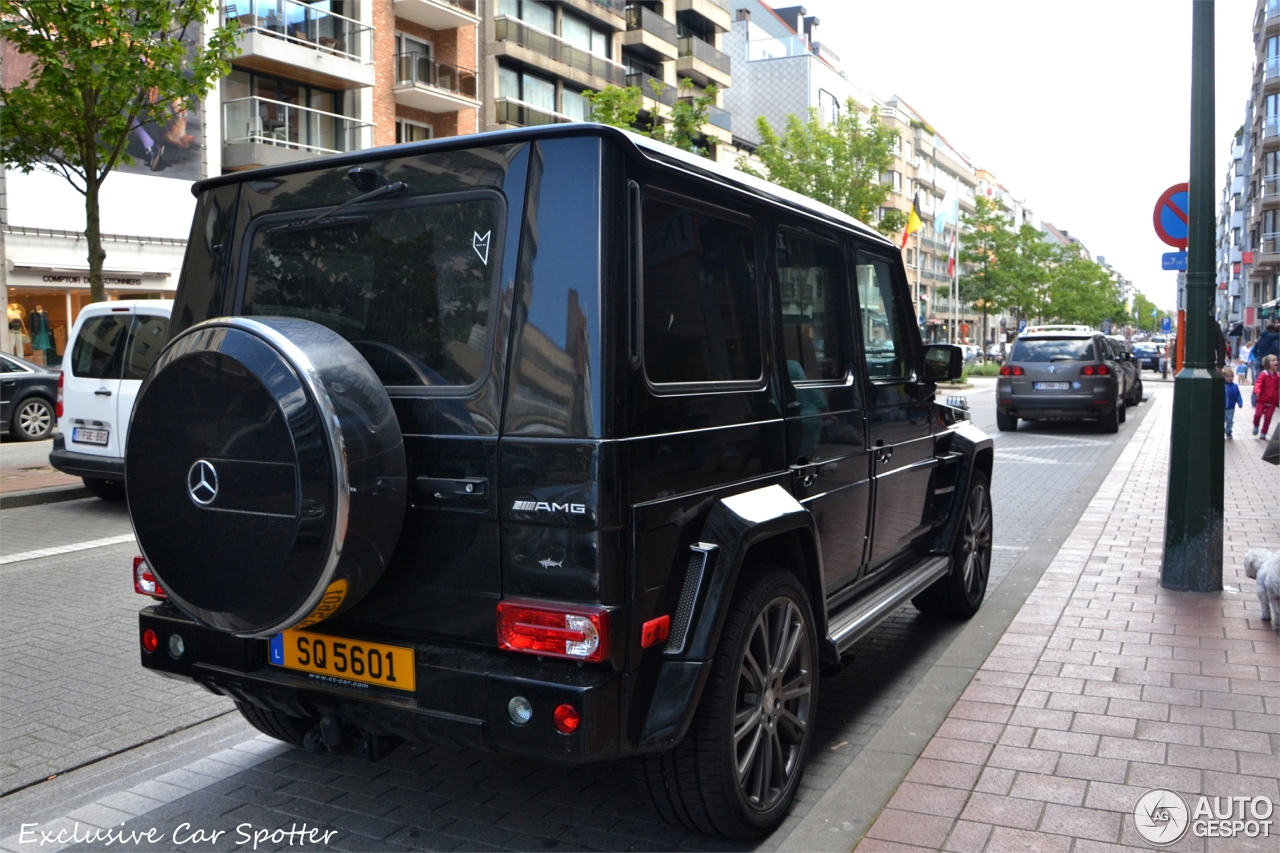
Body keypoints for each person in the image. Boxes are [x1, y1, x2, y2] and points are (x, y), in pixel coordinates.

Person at [1254, 354, 1280, 439]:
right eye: (1273, 360)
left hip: (1272, 401)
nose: (1276, 361)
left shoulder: (1278, 376)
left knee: (1268, 418)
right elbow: (1258, 383)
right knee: (1258, 415)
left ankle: (1264, 433)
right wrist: (1257, 391)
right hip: (1262, 399)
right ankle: (1256, 425)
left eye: (1276, 360)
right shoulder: (1263, 374)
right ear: (1268, 363)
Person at [1224, 368, 1243, 440]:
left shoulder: (1235, 386)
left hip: (1231, 407)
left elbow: (1238, 395)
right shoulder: (1222, 385)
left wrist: (1240, 402)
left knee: (1229, 420)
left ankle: (1228, 431)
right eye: (1227, 376)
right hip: (1221, 407)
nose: (1230, 378)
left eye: (1231, 376)